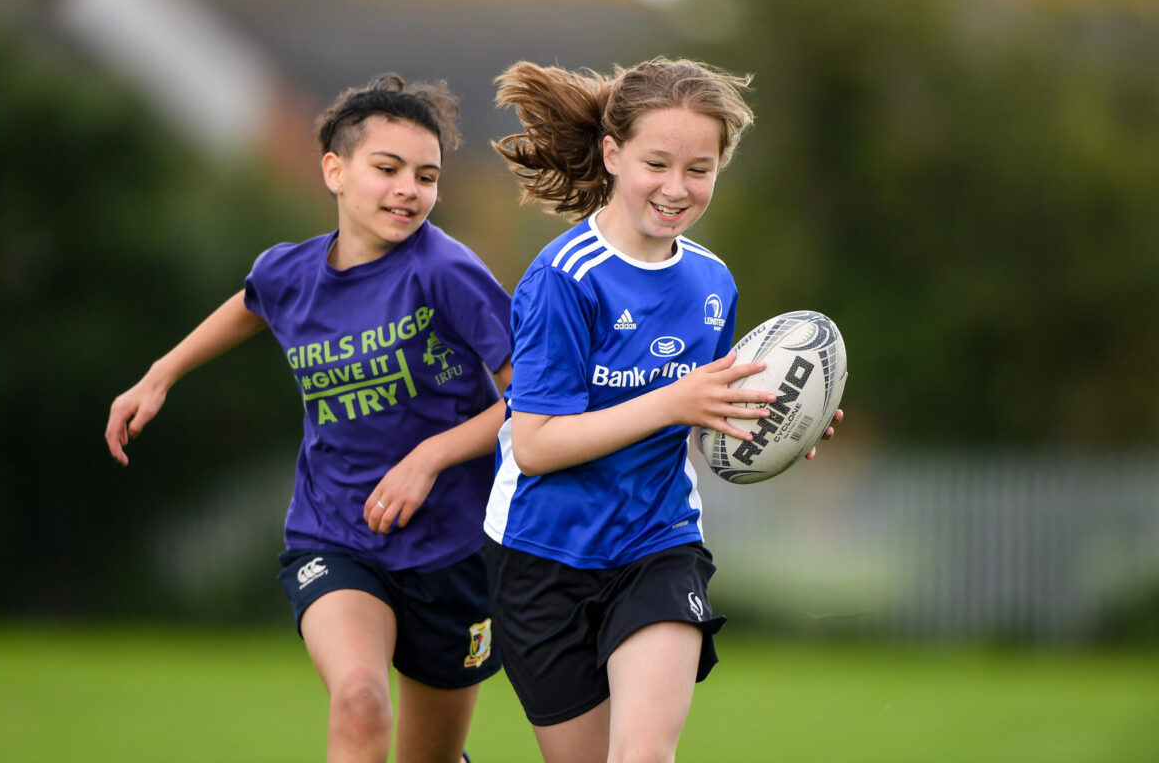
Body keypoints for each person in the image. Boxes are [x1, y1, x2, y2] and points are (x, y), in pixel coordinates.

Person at [105, 74, 512, 763]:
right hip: (335, 533)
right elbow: (251, 302)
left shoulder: (448, 271)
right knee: (358, 698)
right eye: (387, 168)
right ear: (335, 169)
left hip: (453, 548)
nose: (408, 189)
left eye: (427, 175)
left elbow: (530, 403)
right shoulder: (290, 272)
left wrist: (429, 457)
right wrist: (160, 374)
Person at [484, 57, 843, 763]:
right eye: (657, 162)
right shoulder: (563, 280)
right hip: (540, 554)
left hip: (657, 542)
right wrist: (674, 399)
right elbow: (535, 444)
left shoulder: (712, 280)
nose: (677, 188)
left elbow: (693, 427)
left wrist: (764, 421)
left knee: (644, 755)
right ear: (613, 154)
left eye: (700, 169)